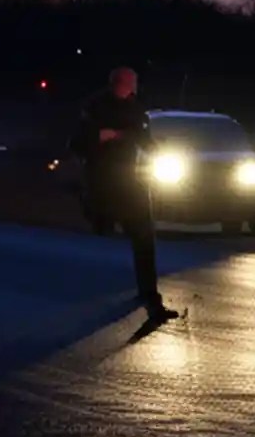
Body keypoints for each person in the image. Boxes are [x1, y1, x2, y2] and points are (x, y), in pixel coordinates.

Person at [70, 67, 180, 321]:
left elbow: (143, 139)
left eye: (134, 82)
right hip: (103, 179)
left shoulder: (136, 108)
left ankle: (150, 294)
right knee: (105, 227)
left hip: (130, 179)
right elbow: (77, 142)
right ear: (119, 83)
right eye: (131, 82)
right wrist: (101, 137)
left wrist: (158, 150)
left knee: (144, 234)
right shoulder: (95, 107)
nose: (134, 86)